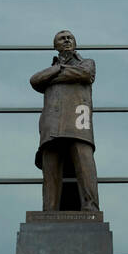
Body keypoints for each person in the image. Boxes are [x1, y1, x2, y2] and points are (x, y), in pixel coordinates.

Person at [30, 30, 100, 212]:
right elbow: (35, 80)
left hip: (78, 122)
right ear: (55, 46)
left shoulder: (86, 62)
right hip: (52, 125)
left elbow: (86, 74)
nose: (67, 40)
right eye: (62, 38)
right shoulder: (51, 68)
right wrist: (58, 69)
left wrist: (53, 76)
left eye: (70, 37)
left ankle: (90, 207)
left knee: (85, 166)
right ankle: (49, 210)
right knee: (51, 172)